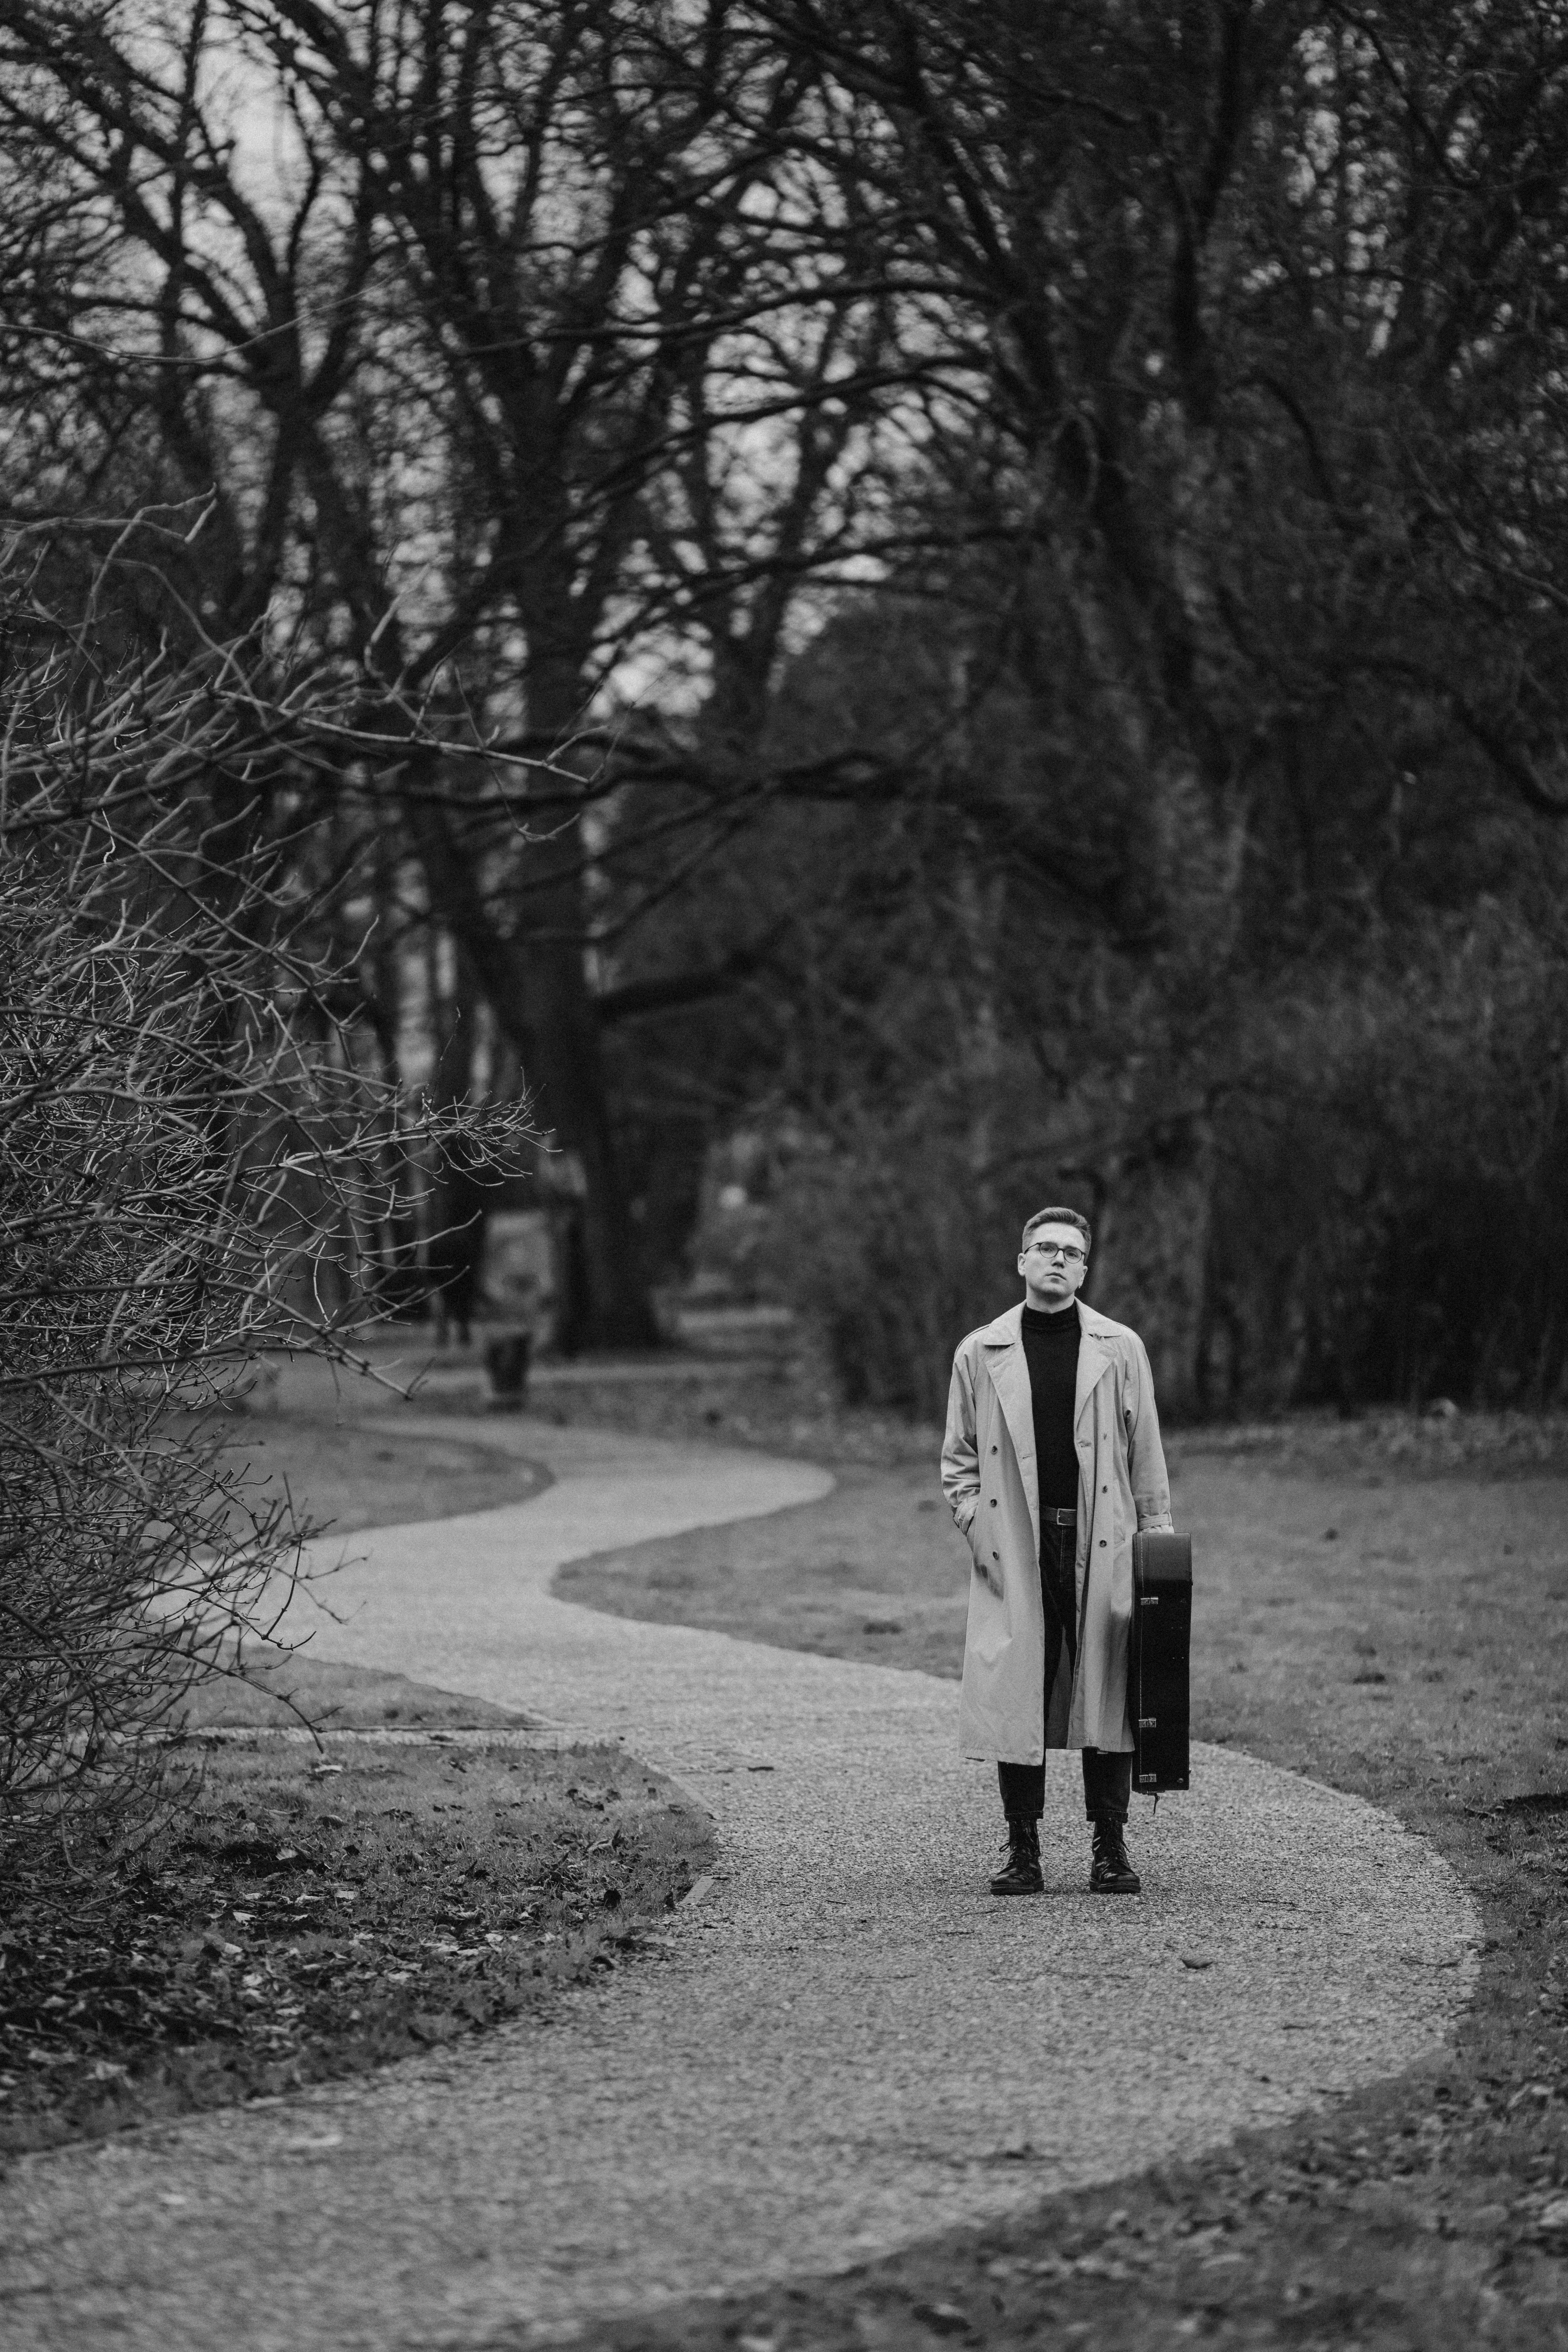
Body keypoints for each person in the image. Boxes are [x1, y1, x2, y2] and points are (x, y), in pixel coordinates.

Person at [941, 1206, 1174, 1898]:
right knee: (1020, 1687)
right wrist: (977, 1530)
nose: (1057, 1260)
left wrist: (1155, 1535)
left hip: (1102, 1535)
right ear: (1021, 1262)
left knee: (1107, 1682)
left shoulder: (1119, 1347)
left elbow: (1145, 1450)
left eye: (1071, 1252)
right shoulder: (978, 1352)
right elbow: (957, 1459)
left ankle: (1109, 1848)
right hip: (1015, 1539)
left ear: (1083, 1267)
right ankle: (1023, 1850)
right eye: (1044, 1249)